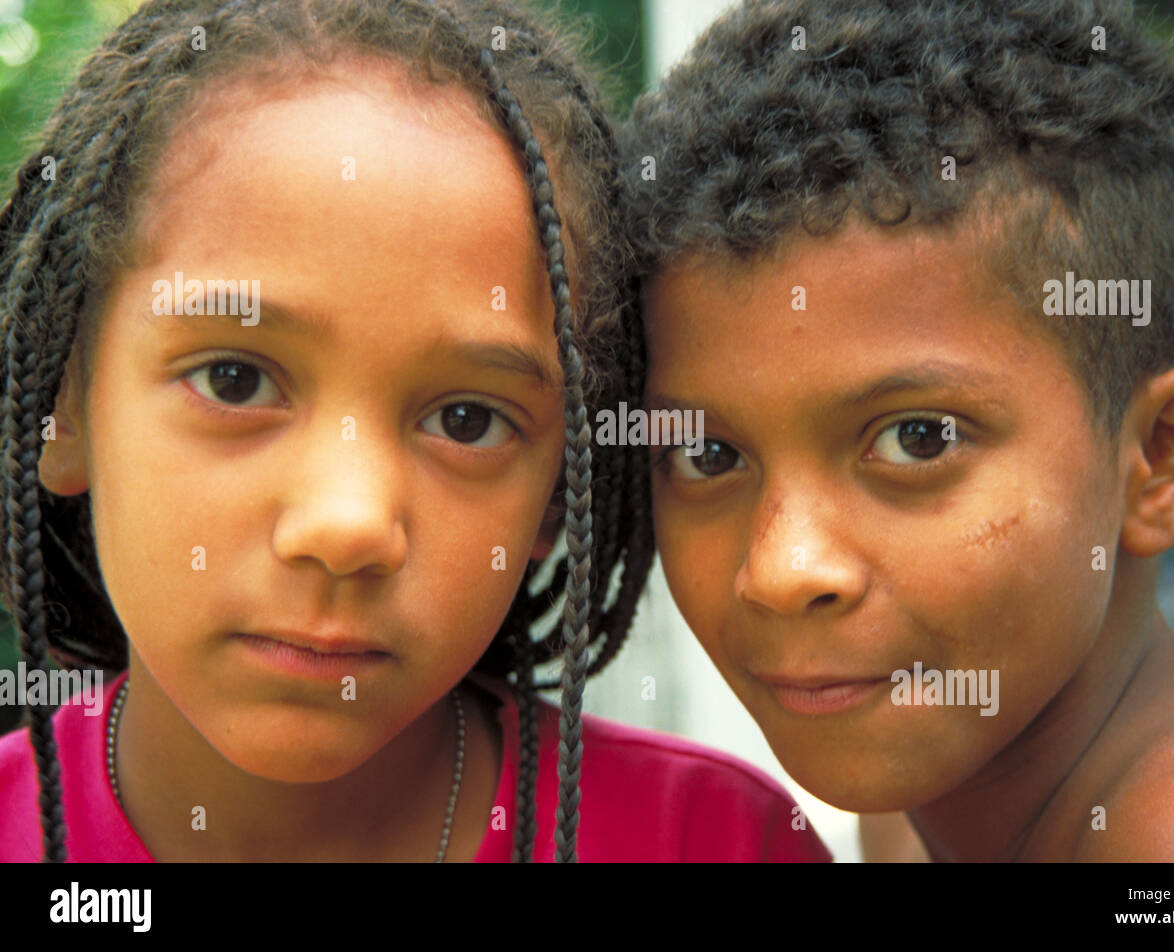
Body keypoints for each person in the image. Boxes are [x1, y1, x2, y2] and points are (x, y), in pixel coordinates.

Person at [0, 0, 831, 863]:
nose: (347, 525)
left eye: (467, 422)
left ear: (559, 492)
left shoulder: (712, 843)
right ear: (65, 407)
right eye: (234, 380)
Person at [620, 0, 1174, 860]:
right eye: (707, 455)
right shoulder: (914, 805)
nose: (784, 570)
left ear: (1162, 459)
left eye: (918, 440)